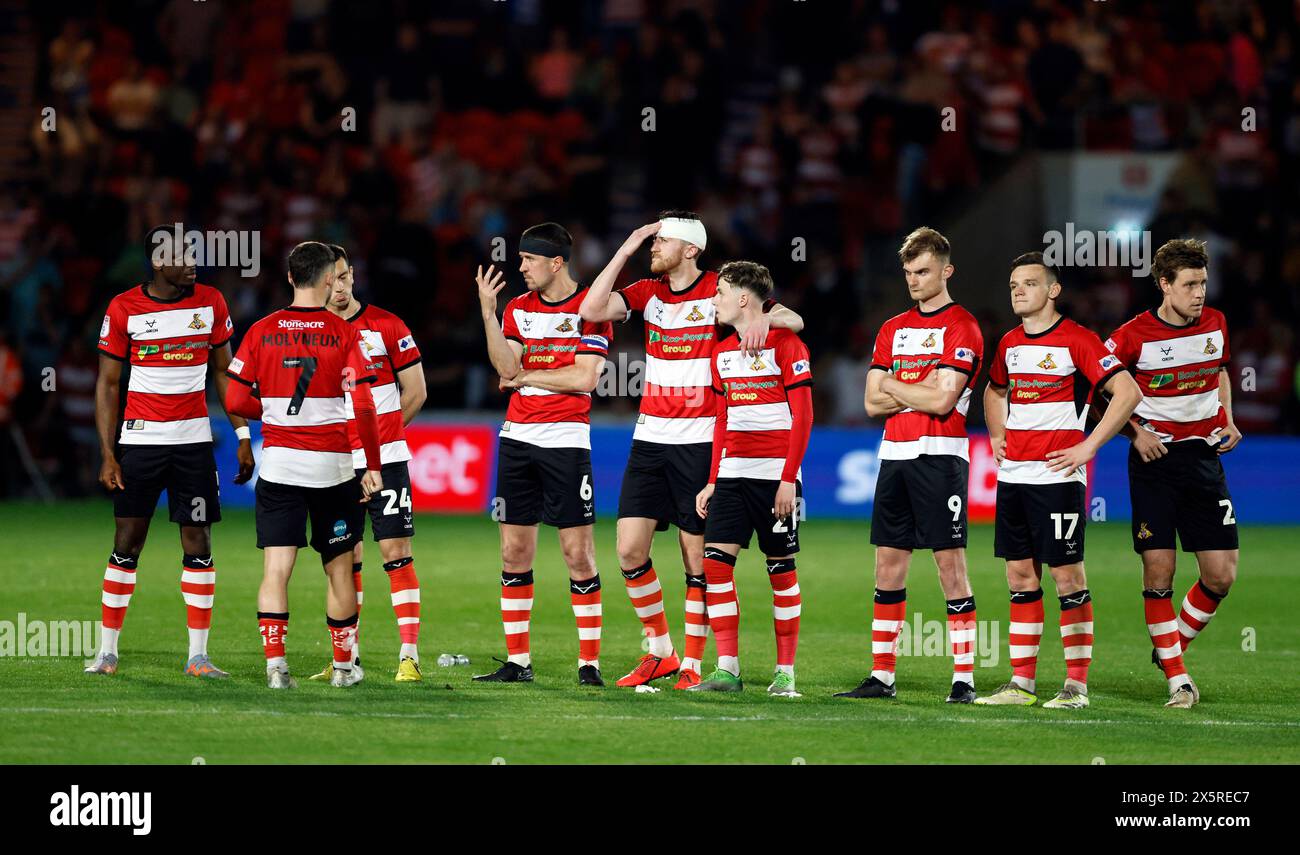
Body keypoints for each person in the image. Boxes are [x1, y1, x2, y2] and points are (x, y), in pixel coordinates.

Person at [579, 212, 804, 690]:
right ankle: (660, 650)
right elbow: (593, 307)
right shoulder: (648, 293)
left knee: (697, 559)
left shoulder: (718, 292)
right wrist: (624, 248)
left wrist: (766, 317)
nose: (653, 246)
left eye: (662, 240)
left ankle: (696, 665)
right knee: (628, 549)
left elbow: (793, 318)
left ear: (691, 249)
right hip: (650, 438)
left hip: (701, 440)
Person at [85, 224, 254, 679]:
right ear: (159, 262)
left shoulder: (212, 302)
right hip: (140, 445)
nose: (193, 261)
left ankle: (198, 656)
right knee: (127, 543)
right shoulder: (124, 308)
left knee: (198, 540)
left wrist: (241, 435)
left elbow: (225, 373)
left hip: (194, 445)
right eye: (183, 255)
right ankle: (107, 652)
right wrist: (108, 452)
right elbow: (107, 383)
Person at [975, 252, 1140, 709]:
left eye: (1028, 283)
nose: (1018, 291)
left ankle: (1075, 686)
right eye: (1012, 285)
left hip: (1058, 479)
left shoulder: (1079, 340)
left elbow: (1127, 392)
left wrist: (1089, 446)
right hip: (1014, 477)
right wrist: (995, 432)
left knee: (1067, 575)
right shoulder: (1008, 342)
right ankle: (1021, 684)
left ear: (1053, 290)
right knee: (1019, 574)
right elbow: (994, 389)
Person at [833, 227, 985, 703]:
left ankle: (964, 677)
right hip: (894, 456)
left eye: (923, 271)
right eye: (908, 273)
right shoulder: (892, 328)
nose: (915, 281)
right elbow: (871, 403)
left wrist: (897, 384)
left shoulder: (963, 326)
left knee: (950, 566)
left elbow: (942, 401)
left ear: (946, 270)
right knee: (888, 566)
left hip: (940, 458)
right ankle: (882, 677)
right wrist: (915, 388)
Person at [224, 241, 384, 689]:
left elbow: (235, 398)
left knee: (277, 569)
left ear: (290, 278)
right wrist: (371, 463)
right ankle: (344, 668)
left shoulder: (261, 331)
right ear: (330, 278)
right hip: (333, 470)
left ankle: (276, 667)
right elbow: (366, 404)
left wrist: (270, 411)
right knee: (339, 568)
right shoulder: (345, 332)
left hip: (278, 469)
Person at [1100, 238, 1241, 709]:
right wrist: (1135, 432)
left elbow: (1220, 370)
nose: (1199, 293)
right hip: (1154, 462)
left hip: (1203, 459)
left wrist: (1228, 416)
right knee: (1159, 569)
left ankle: (1169, 646)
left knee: (1220, 576)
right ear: (1164, 285)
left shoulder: (1216, 323)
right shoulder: (1131, 336)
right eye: (1189, 284)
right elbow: (1099, 387)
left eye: (1203, 282)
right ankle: (1179, 680)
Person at [473, 222, 614, 686]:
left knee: (578, 554)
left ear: (556, 263)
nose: (521, 267)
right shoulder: (516, 308)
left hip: (566, 442)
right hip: (517, 439)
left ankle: (588, 663)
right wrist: (489, 315)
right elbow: (505, 367)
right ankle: (518, 662)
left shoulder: (591, 307)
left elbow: (584, 379)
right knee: (514, 551)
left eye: (529, 260)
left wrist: (527, 377)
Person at [306, 244, 428, 683]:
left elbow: (415, 391)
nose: (337, 288)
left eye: (343, 277)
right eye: (329, 280)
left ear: (352, 275)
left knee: (395, 551)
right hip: (335, 464)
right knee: (343, 556)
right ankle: (346, 658)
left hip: (386, 460)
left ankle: (409, 657)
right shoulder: (313, 333)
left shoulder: (387, 325)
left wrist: (382, 439)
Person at [691, 261, 813, 696]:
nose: (715, 299)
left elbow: (804, 417)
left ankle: (785, 673)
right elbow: (722, 420)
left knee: (780, 571)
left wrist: (787, 479)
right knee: (714, 565)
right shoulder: (721, 351)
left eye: (721, 292)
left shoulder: (787, 344)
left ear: (744, 298)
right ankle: (727, 670)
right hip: (731, 477)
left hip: (774, 479)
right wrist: (712, 479)